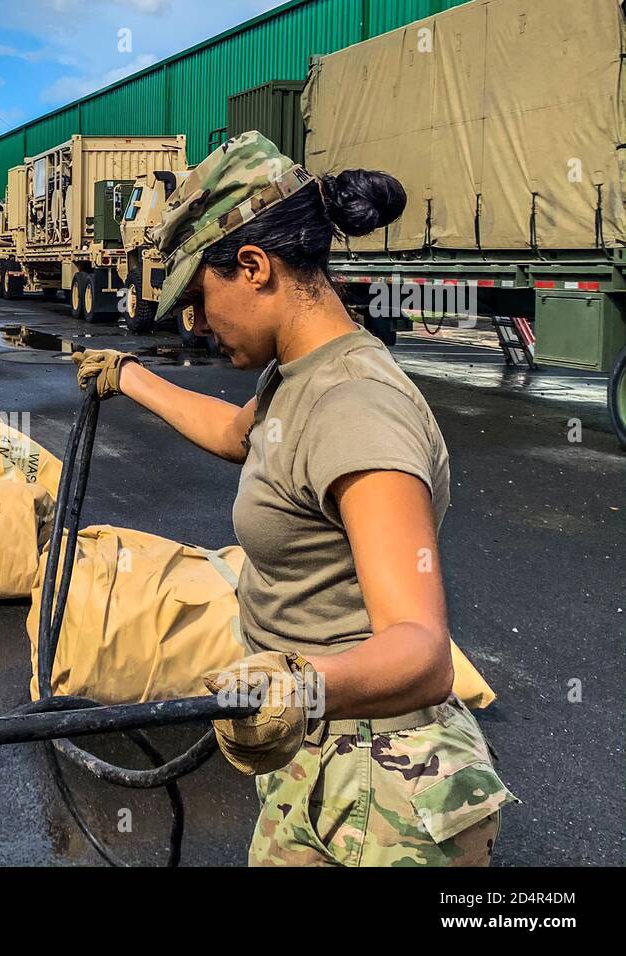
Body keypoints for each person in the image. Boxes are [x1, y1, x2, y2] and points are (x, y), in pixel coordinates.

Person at [72, 132, 515, 867]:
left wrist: (297, 687)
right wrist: (128, 377)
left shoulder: (354, 406)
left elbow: (422, 650)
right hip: (318, 754)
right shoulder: (295, 377)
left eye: (201, 299)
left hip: (383, 786)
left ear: (253, 266)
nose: (198, 325)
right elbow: (236, 435)